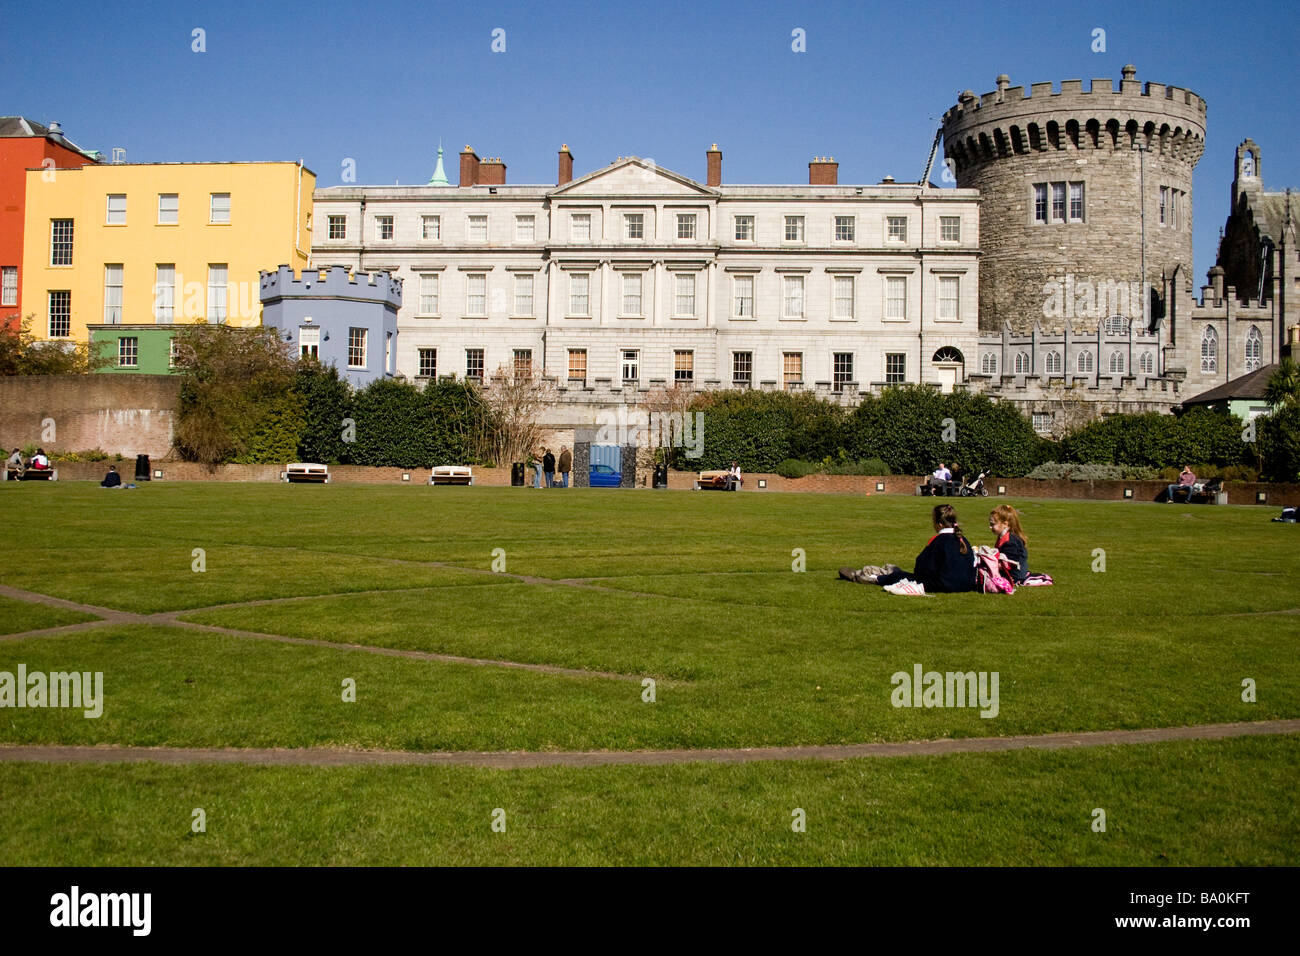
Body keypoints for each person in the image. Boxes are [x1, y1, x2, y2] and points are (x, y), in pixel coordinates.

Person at [839, 503, 978, 594]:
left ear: (940, 524)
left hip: (942, 584)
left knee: (896, 576)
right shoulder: (963, 540)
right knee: (896, 571)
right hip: (964, 584)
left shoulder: (938, 542)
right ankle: (879, 572)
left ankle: (862, 576)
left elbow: (921, 566)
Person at [988, 504, 1029, 584]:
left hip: (1014, 575)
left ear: (1005, 524)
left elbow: (1011, 563)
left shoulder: (1011, 541)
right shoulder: (1004, 536)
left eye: (992, 524)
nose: (990, 527)